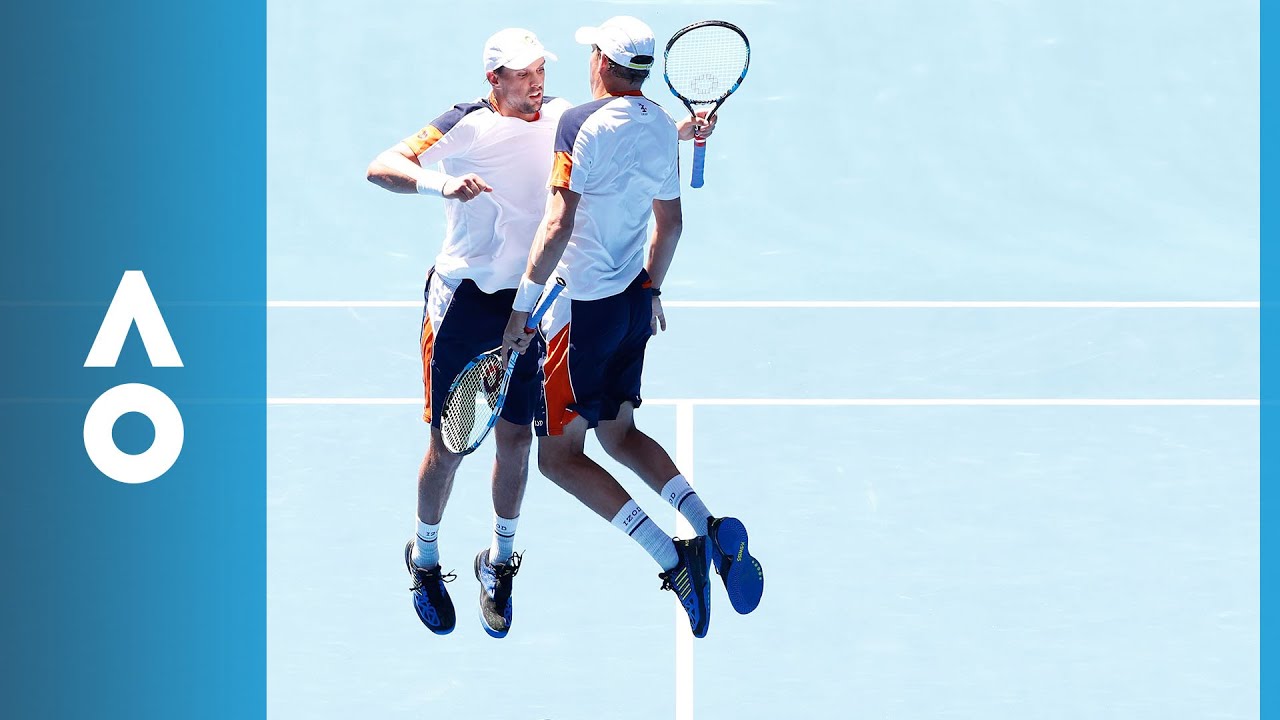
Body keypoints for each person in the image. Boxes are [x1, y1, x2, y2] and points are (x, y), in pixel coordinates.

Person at [366, 27, 715, 639]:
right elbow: (383, 166)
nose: (537, 82)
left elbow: (615, 143)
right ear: (494, 79)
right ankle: (424, 558)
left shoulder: (561, 117)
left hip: (528, 308)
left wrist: (683, 131)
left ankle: (499, 562)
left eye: (541, 71)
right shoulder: (464, 124)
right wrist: (439, 181)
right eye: (524, 73)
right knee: (450, 449)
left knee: (517, 444)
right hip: (466, 306)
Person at [502, 16, 763, 638]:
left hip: (574, 312)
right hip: (628, 301)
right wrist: (651, 291)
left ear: (602, 63)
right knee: (619, 434)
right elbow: (669, 225)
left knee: (560, 459)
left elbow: (559, 220)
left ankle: (673, 557)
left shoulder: (576, 123)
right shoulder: (654, 127)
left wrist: (523, 305)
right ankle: (708, 524)